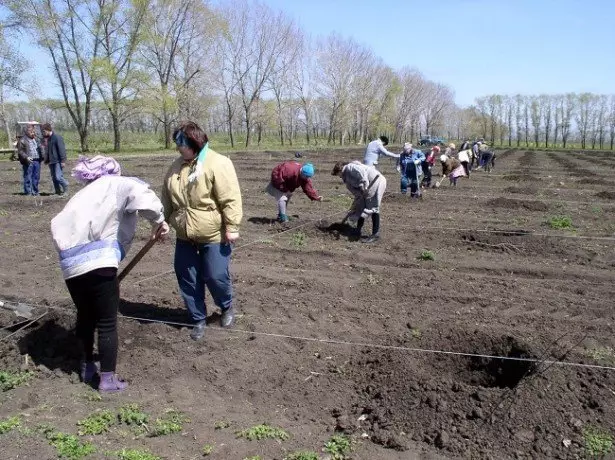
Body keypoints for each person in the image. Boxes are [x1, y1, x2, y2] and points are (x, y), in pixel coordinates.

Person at [50, 155, 169, 393]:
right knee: (107, 322)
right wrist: (159, 221)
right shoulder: (117, 183)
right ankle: (107, 379)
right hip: (101, 261)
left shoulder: (81, 195)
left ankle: (87, 368)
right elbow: (143, 197)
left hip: (71, 265)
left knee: (85, 316)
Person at [161, 121, 242, 341]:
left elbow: (230, 198)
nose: (178, 148)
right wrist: (162, 221)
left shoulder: (218, 163)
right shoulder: (176, 167)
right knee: (187, 277)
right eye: (177, 143)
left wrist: (232, 227)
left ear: (193, 142)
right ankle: (198, 318)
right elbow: (167, 197)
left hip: (213, 233)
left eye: (181, 143)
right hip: (184, 234)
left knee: (215, 275)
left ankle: (226, 307)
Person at [332, 161, 386, 244]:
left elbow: (362, 173)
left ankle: (375, 234)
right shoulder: (346, 180)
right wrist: (354, 205)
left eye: (337, 174)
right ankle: (358, 230)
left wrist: (363, 186)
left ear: (339, 170)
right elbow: (357, 195)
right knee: (361, 206)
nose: (338, 176)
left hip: (376, 182)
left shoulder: (350, 167)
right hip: (368, 187)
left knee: (373, 208)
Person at [42, 123, 69, 196]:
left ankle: (66, 188)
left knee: (58, 177)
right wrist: (46, 160)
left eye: (44, 131)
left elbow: (61, 149)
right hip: (51, 161)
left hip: (57, 161)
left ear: (48, 130)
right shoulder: (49, 139)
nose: (43, 133)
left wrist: (63, 160)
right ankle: (57, 191)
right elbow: (49, 150)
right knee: (54, 178)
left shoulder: (57, 137)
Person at [16, 125, 42, 196]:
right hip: (29, 161)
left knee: (36, 177)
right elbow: (20, 151)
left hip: (37, 161)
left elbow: (40, 148)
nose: (33, 133)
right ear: (26, 132)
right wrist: (26, 157)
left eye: (33, 131)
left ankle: (35, 191)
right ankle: (28, 192)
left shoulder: (36, 139)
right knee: (28, 176)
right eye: (31, 132)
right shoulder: (22, 140)